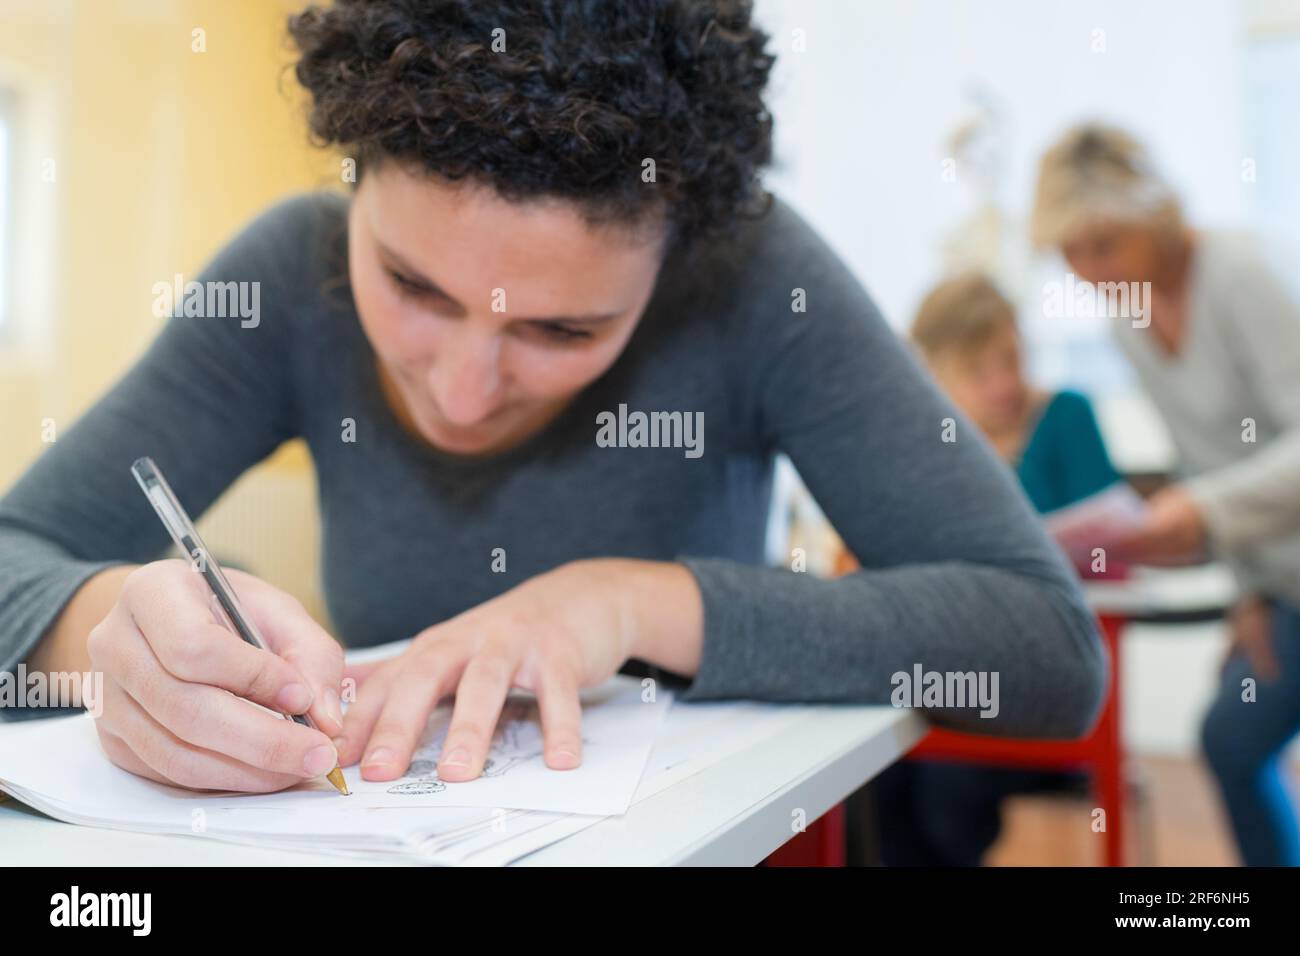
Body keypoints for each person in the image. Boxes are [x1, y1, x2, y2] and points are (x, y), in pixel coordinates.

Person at [0, 0, 1104, 798]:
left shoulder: (754, 275)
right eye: (411, 285)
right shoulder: (289, 276)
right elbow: (17, 550)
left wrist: (626, 604)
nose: (464, 392)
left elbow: (1046, 647)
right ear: (352, 178)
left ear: (677, 261)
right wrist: (110, 634)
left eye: (563, 329)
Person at [1032, 122, 1300, 866]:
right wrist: (1250, 589)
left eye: (1104, 246)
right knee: (1232, 741)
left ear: (1154, 217)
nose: (1089, 270)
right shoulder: (1128, 324)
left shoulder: (1241, 271)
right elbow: (1206, 459)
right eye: (1071, 254)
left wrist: (1207, 512)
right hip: (1285, 586)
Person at [869, 273, 1121, 866]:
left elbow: (1114, 546)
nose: (1005, 382)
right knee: (878, 783)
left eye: (1011, 358)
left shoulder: (1065, 416)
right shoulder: (927, 448)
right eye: (978, 371)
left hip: (1050, 682)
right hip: (945, 685)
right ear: (935, 378)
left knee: (945, 790)